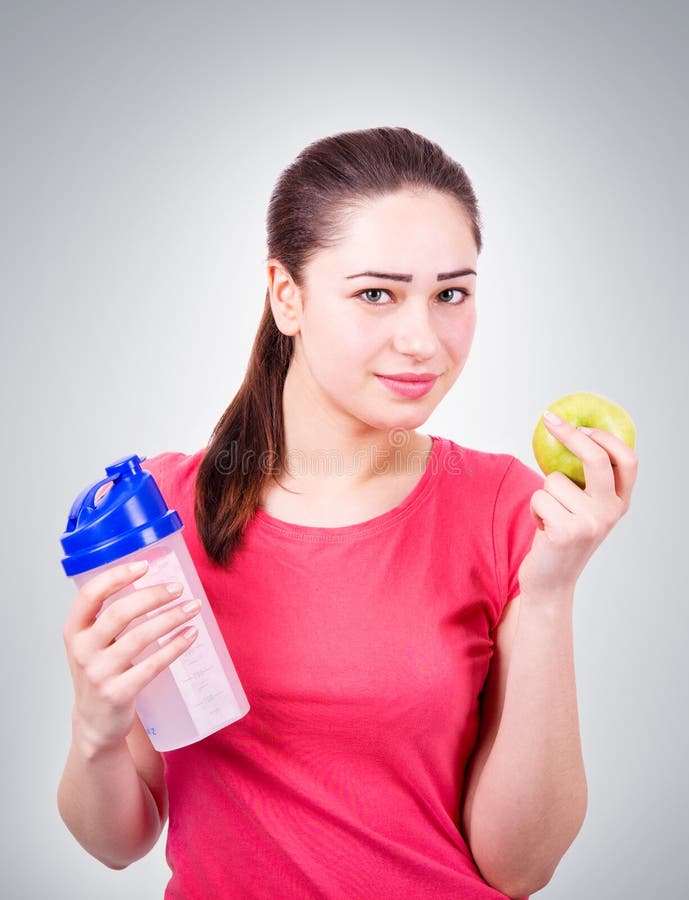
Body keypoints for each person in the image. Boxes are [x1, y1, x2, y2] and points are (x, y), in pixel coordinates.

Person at [57, 126, 638, 899]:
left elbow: (519, 867)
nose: (422, 340)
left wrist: (551, 592)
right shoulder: (160, 514)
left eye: (450, 294)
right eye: (375, 294)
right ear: (286, 296)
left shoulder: (504, 504)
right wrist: (95, 731)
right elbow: (117, 842)